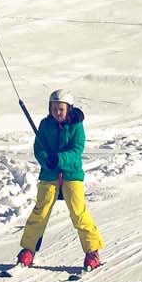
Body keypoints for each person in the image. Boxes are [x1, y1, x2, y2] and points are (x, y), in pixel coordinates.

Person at [17, 90, 103, 271]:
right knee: (40, 212)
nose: (57, 112)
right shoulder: (45, 124)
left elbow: (77, 149)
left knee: (78, 213)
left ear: (68, 109)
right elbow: (38, 147)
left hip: (72, 174)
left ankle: (92, 251)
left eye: (61, 109)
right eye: (54, 108)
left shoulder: (76, 125)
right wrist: (46, 161)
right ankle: (28, 250)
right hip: (49, 174)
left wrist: (59, 159)